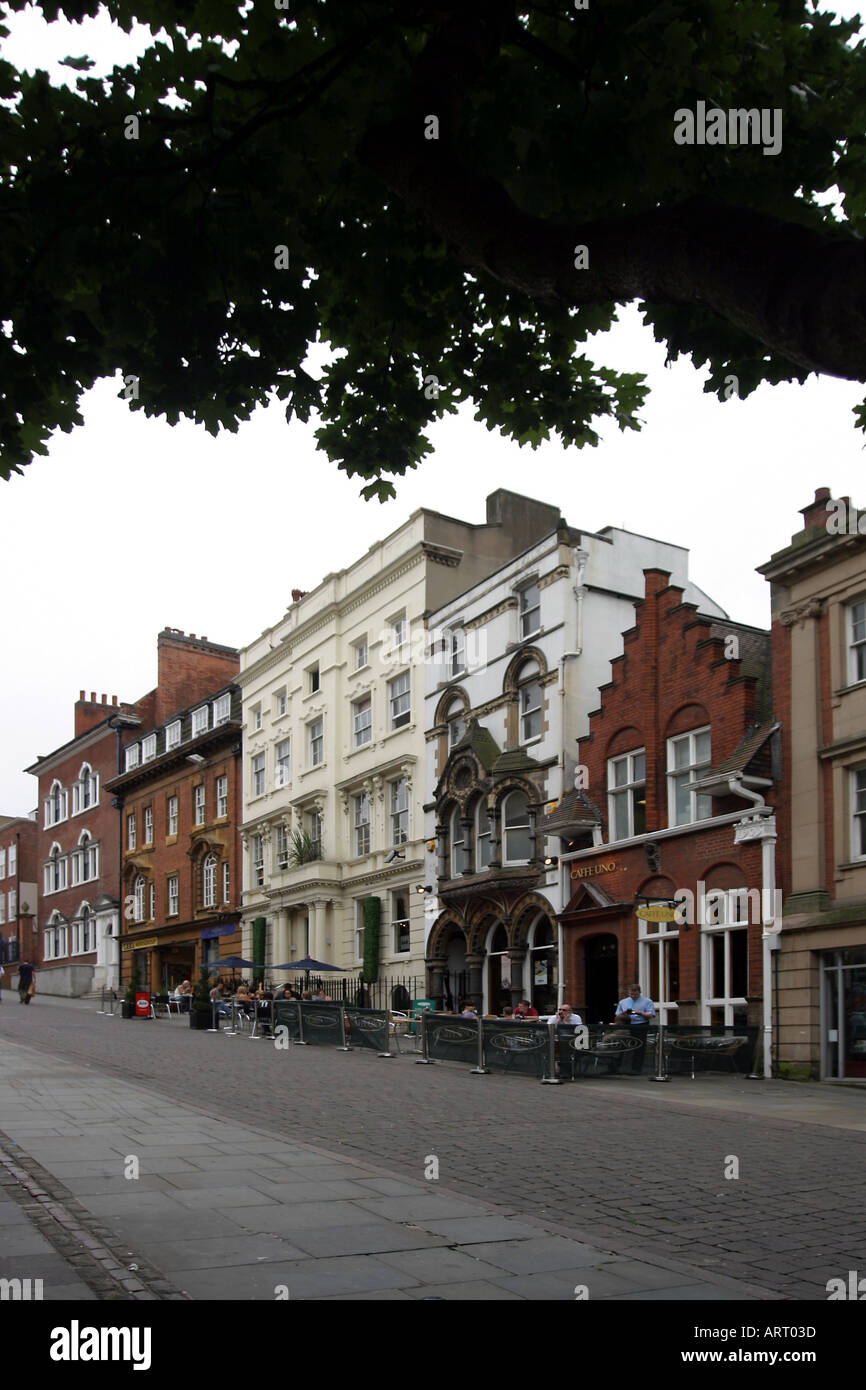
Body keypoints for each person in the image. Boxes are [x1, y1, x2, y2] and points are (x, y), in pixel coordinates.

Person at [612, 981, 655, 1073]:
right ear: (628, 993)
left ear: (639, 992)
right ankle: (617, 1067)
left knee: (639, 1046)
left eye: (636, 994)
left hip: (641, 1024)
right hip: (626, 1024)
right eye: (631, 994)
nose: (633, 996)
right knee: (622, 1044)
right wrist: (624, 1013)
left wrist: (639, 1013)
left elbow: (651, 1015)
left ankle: (636, 1068)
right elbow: (617, 1015)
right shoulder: (623, 1002)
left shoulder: (647, 1001)